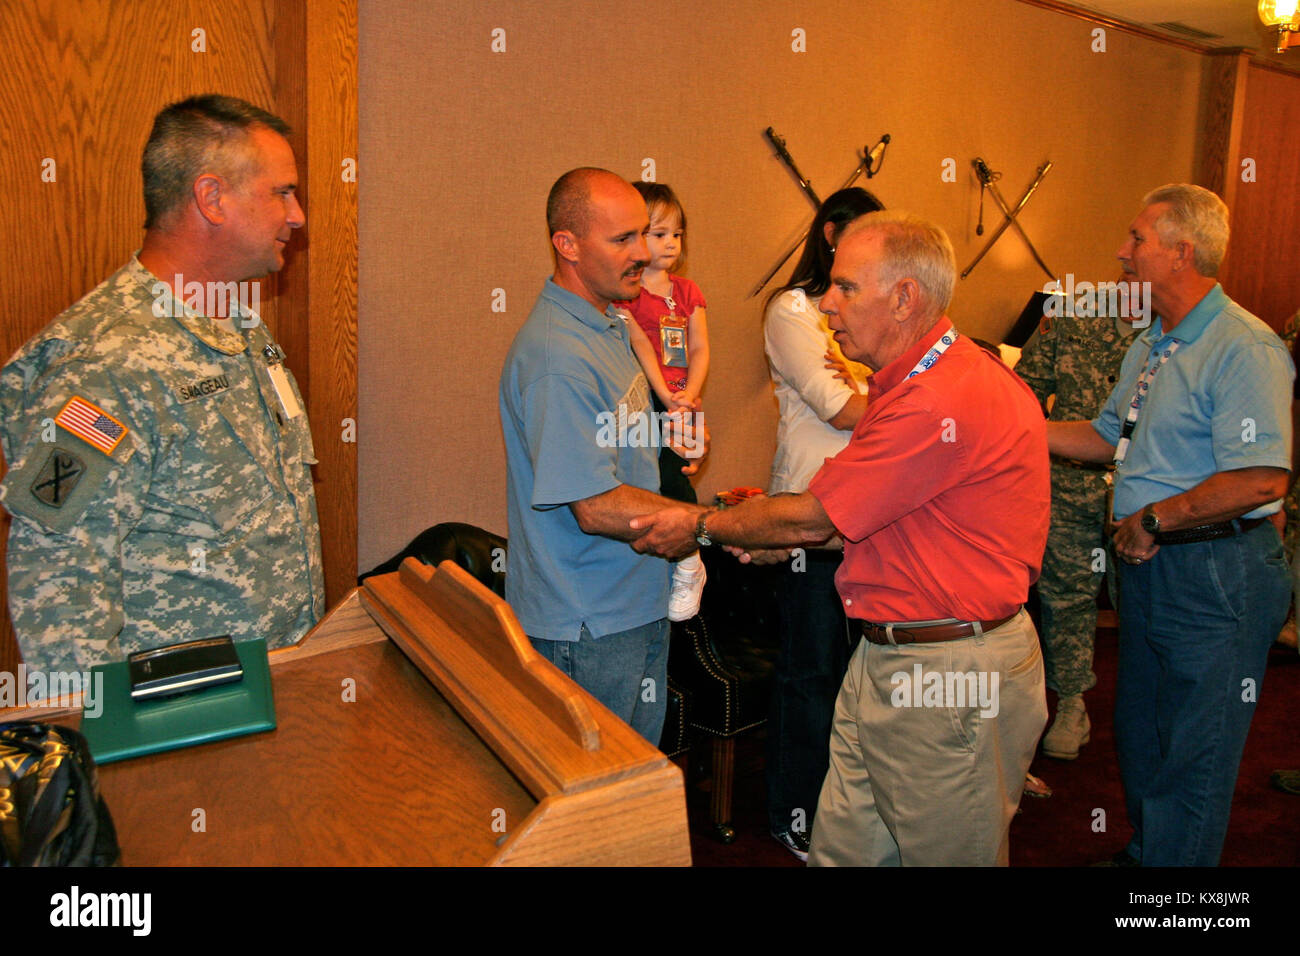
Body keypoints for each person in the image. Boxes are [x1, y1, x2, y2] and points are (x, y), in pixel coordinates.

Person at [630, 211, 1050, 865]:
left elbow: (817, 517)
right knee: (846, 851)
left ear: (905, 297)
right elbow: (871, 518)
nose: (827, 303)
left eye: (847, 287)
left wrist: (701, 525)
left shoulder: (936, 398)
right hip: (892, 653)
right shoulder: (922, 382)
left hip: (945, 671)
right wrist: (779, 533)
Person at [0, 94, 323, 677]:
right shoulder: (103, 362)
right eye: (281, 192)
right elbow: (59, 577)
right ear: (211, 197)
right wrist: (101, 745)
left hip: (266, 693)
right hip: (174, 719)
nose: (297, 215)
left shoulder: (238, 323)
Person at [1047, 184, 1293, 866]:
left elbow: (1262, 478)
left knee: (1196, 747)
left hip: (1217, 572)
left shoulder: (1243, 347)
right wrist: (1007, 428)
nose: (1121, 254)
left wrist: (1156, 518)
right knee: (1145, 732)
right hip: (1153, 566)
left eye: (1136, 240)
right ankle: (1152, 856)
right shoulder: (1153, 345)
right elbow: (1105, 438)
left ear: (1182, 254)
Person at [498, 167, 706, 746]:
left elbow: (615, 449)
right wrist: (706, 526)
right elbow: (592, 506)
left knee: (634, 788)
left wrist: (669, 445)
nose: (643, 253)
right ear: (567, 245)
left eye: (644, 234)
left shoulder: (608, 323)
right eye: (623, 240)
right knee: (596, 806)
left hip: (636, 597)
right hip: (587, 623)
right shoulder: (556, 356)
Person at [760, 186, 882, 860]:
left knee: (863, 683)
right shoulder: (794, 310)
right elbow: (840, 405)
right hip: (811, 519)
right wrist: (901, 397)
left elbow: (885, 392)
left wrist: (890, 393)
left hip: (873, 520)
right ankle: (795, 813)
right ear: (832, 234)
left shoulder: (873, 314)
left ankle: (850, 814)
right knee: (811, 677)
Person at [1015, 274, 1141, 759]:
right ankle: (1071, 703)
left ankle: (1145, 704)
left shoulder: (1177, 329)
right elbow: (1024, 387)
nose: (1125, 261)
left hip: (1146, 490)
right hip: (1070, 483)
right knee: (1065, 595)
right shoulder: (1074, 312)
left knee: (1147, 601)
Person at [615, 182, 709, 621]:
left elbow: (700, 348)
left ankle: (689, 557)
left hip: (681, 401)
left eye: (677, 233)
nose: (670, 243)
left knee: (678, 470)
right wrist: (664, 395)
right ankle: (682, 558)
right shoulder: (627, 296)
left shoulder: (687, 292)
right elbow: (640, 344)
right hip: (648, 399)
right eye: (658, 233)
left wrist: (688, 394)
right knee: (654, 477)